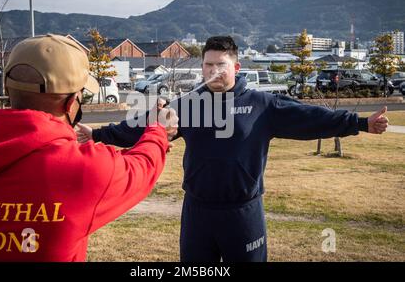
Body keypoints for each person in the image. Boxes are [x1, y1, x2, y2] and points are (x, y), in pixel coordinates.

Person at [76, 36, 389, 262]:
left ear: (236, 66)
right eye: (208, 65)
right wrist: (97, 133)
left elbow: (312, 118)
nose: (213, 71)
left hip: (243, 213)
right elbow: (143, 127)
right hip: (198, 212)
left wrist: (360, 124)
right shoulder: (188, 105)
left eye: (220, 65)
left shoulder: (262, 104)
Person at [0, 34, 178, 262]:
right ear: (71, 103)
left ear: (8, 90)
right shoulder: (85, 169)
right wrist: (159, 129)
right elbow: (142, 166)